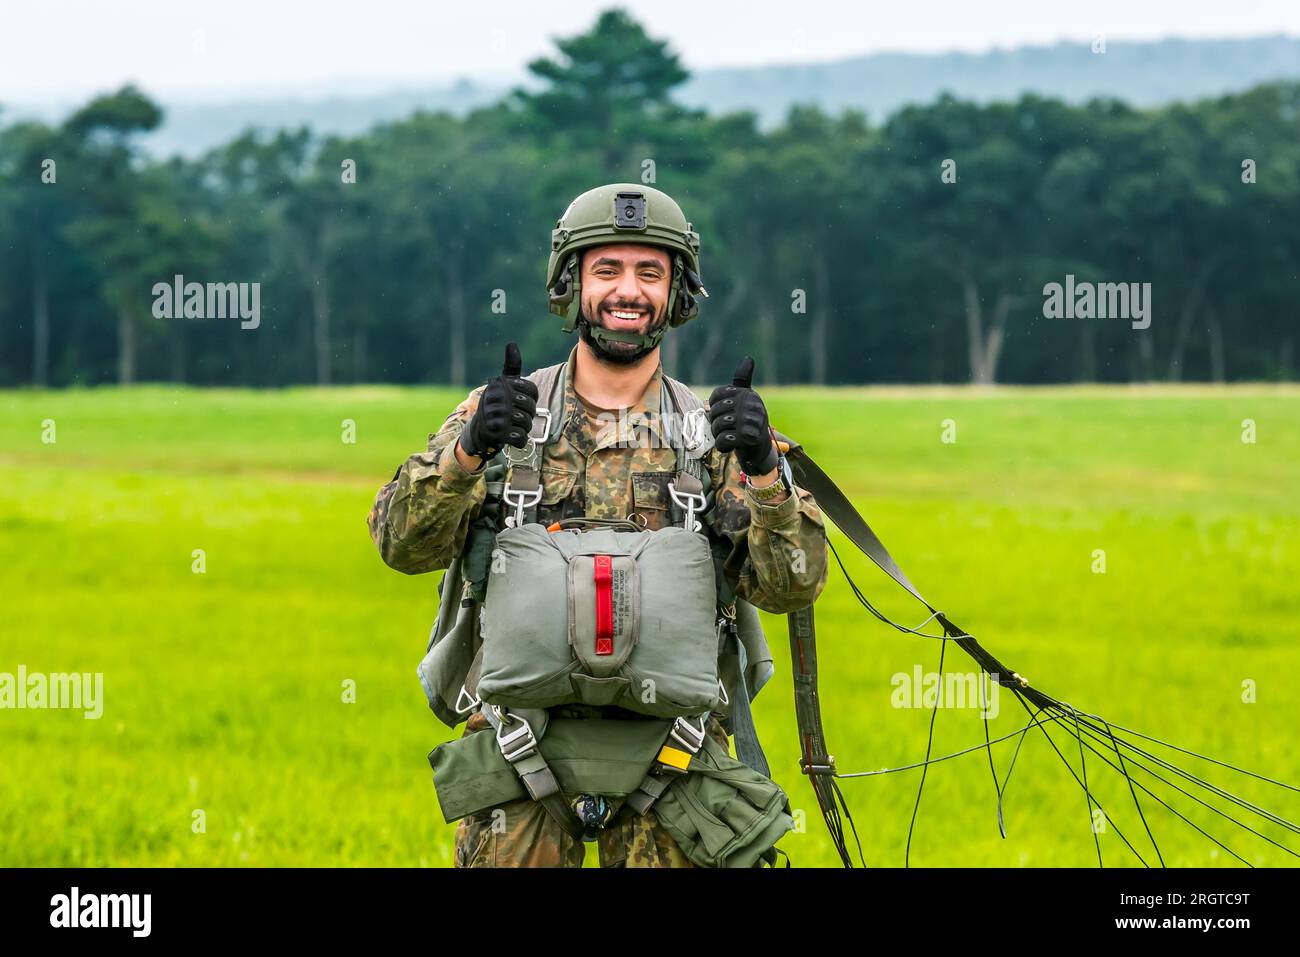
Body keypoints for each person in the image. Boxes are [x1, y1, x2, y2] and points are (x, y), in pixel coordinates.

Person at [368, 183, 829, 867]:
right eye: (607, 270)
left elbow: (795, 586)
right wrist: (470, 450)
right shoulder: (504, 416)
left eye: (650, 272)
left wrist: (764, 468)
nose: (628, 291)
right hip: (522, 752)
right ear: (571, 282)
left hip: (675, 759)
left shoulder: (715, 434)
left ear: (676, 293)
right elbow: (401, 544)